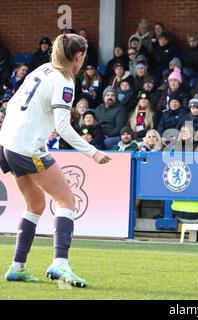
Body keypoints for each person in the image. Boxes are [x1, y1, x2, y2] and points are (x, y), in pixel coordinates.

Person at [0, 34, 111, 287]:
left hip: (7, 144)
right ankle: (60, 263)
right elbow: (63, 126)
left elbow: (15, 102)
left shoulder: (43, 69)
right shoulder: (65, 80)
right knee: (66, 200)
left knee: (35, 204)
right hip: (27, 148)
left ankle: (17, 266)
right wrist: (92, 152)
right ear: (79, 56)